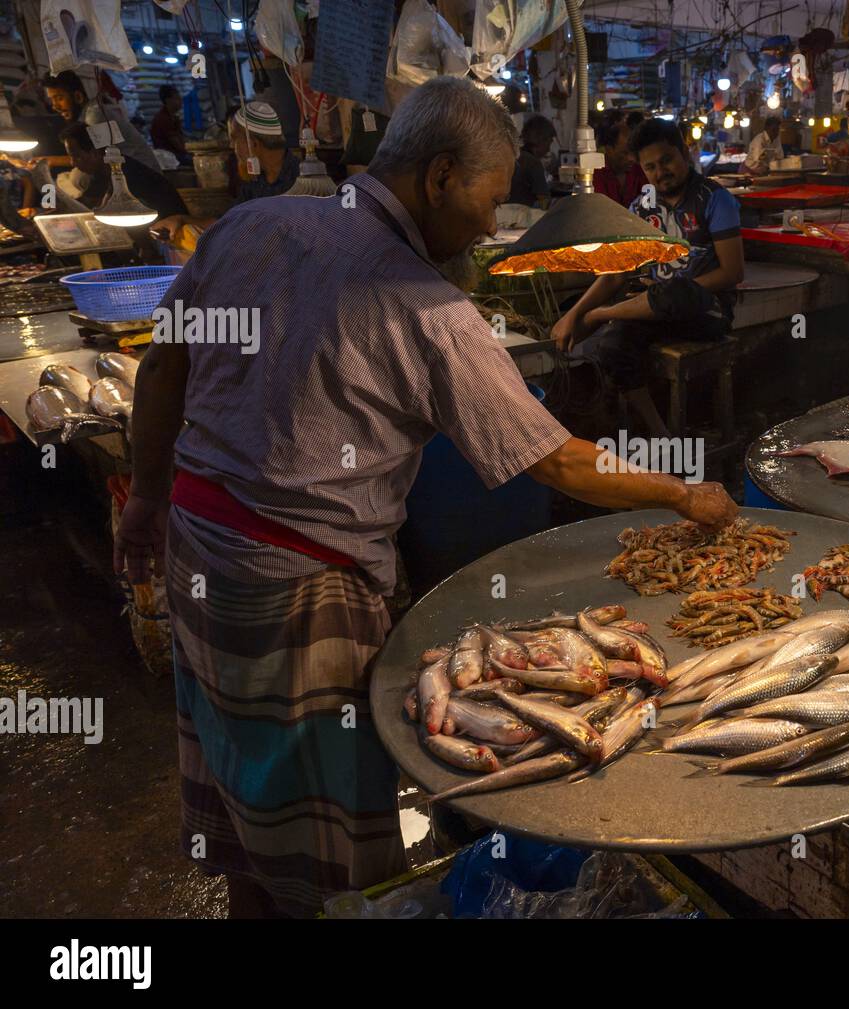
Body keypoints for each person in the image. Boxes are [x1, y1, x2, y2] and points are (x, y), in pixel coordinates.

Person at [111, 77, 735, 919]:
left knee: (239, 810)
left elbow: (162, 368)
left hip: (196, 548)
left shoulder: (249, 226)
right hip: (301, 594)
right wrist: (684, 494)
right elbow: (556, 463)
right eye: (486, 198)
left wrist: (146, 501)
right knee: (335, 855)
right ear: (441, 175)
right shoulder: (429, 308)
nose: (489, 223)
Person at [553, 119, 745, 437]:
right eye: (650, 167)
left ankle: (606, 315)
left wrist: (601, 314)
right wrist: (574, 315)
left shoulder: (715, 199)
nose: (660, 172)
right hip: (655, 308)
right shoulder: (641, 208)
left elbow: (732, 272)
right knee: (613, 346)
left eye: (667, 160)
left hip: (707, 310)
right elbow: (616, 276)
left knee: (673, 292)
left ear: (685, 152)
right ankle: (660, 433)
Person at [151, 102, 300, 241]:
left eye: (235, 139)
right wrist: (181, 220)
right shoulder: (254, 182)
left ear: (253, 144)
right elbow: (229, 221)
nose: (231, 146)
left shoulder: (301, 178)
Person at [61, 122, 187, 220]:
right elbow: (89, 201)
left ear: (95, 153)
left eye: (76, 156)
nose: (73, 163)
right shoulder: (100, 172)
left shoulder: (127, 176)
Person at [43, 70, 159, 172]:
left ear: (78, 96)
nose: (55, 106)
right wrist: (48, 160)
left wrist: (50, 161)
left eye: (59, 98)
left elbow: (101, 160)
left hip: (144, 176)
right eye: (52, 100)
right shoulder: (87, 116)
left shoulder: (96, 116)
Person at [592, 114, 648, 207]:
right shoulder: (596, 173)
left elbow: (650, 207)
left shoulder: (639, 170)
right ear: (609, 149)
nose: (632, 159)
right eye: (624, 153)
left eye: (633, 153)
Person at [508, 114, 555, 208]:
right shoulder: (533, 164)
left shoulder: (513, 156)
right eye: (549, 142)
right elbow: (544, 202)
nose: (549, 149)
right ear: (542, 140)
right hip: (520, 218)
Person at [150, 85, 188, 162]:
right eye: (177, 98)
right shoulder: (163, 119)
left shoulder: (173, 117)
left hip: (176, 155)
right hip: (169, 158)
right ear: (168, 100)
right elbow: (178, 145)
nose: (181, 101)